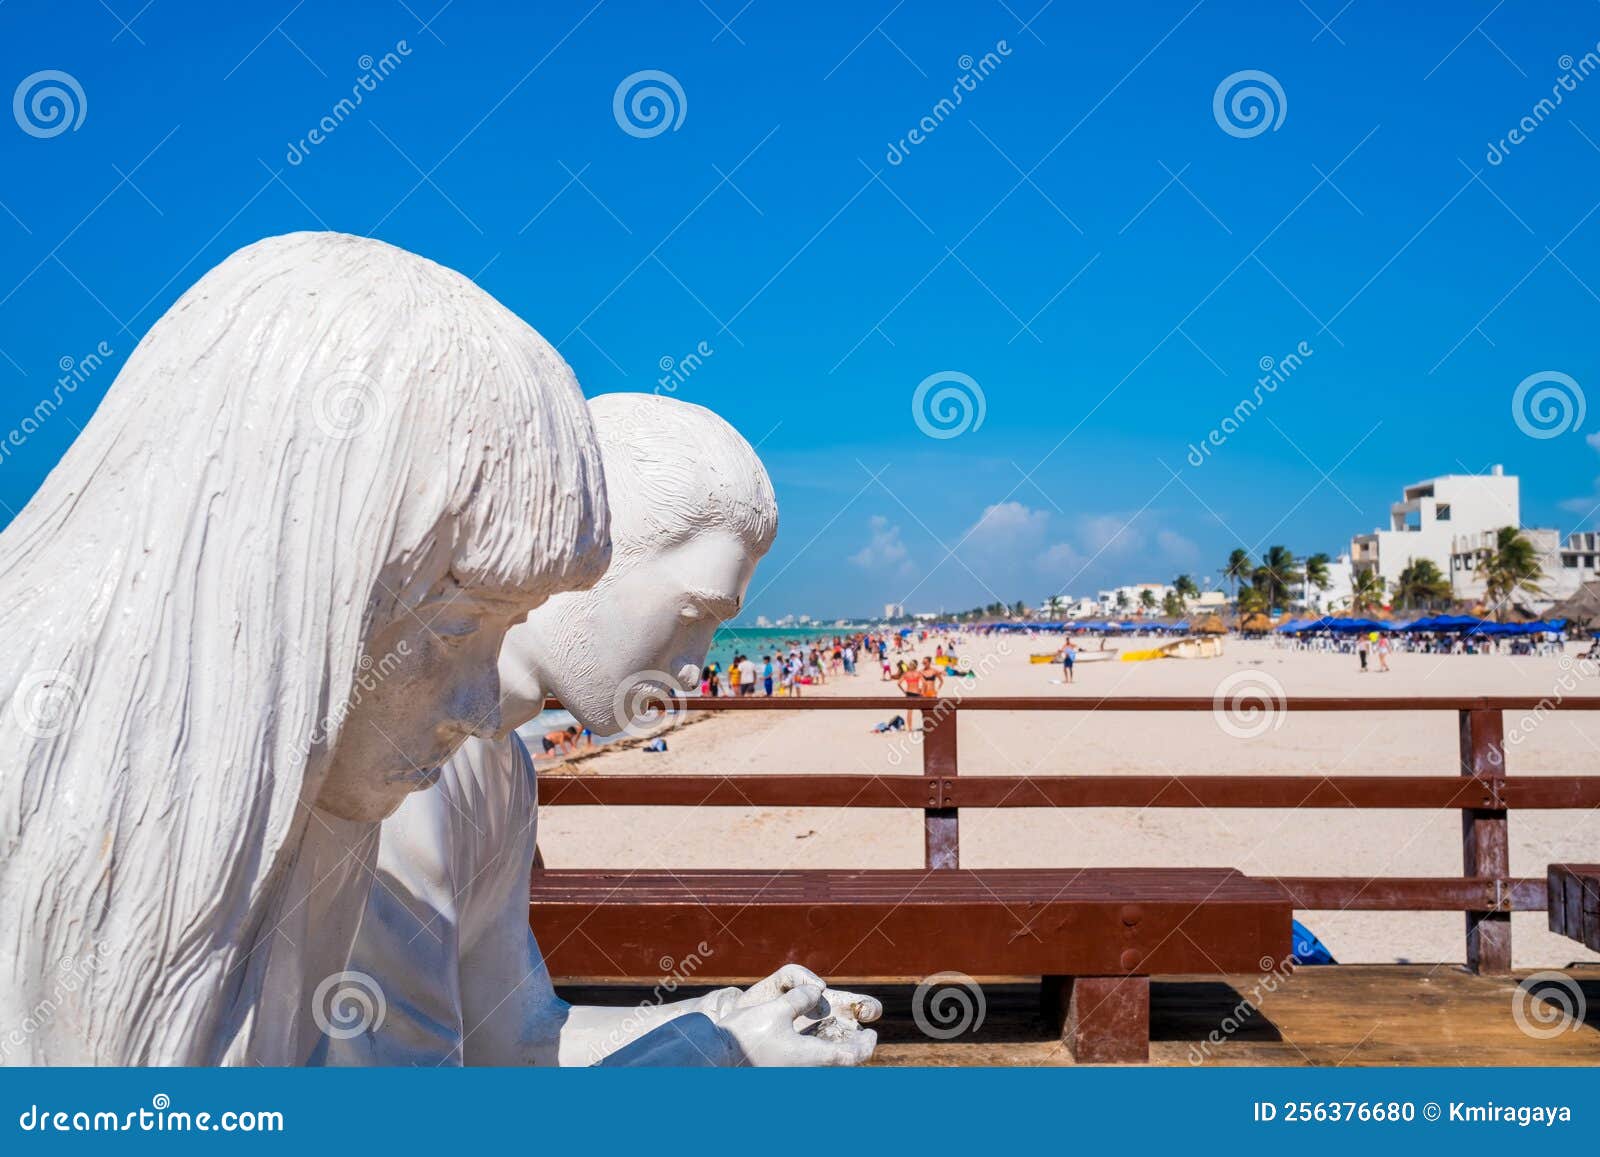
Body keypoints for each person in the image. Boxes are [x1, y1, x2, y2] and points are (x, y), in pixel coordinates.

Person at [0, 232, 611, 1065]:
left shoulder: (310, 825)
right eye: (455, 626)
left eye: (511, 625)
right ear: (297, 575)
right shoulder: (47, 775)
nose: (480, 707)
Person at [339, 393, 879, 1067]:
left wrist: (726, 1017)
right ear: (588, 551)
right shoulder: (400, 766)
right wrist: (720, 1058)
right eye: (692, 613)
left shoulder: (502, 766)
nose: (694, 666)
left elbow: (520, 1032)